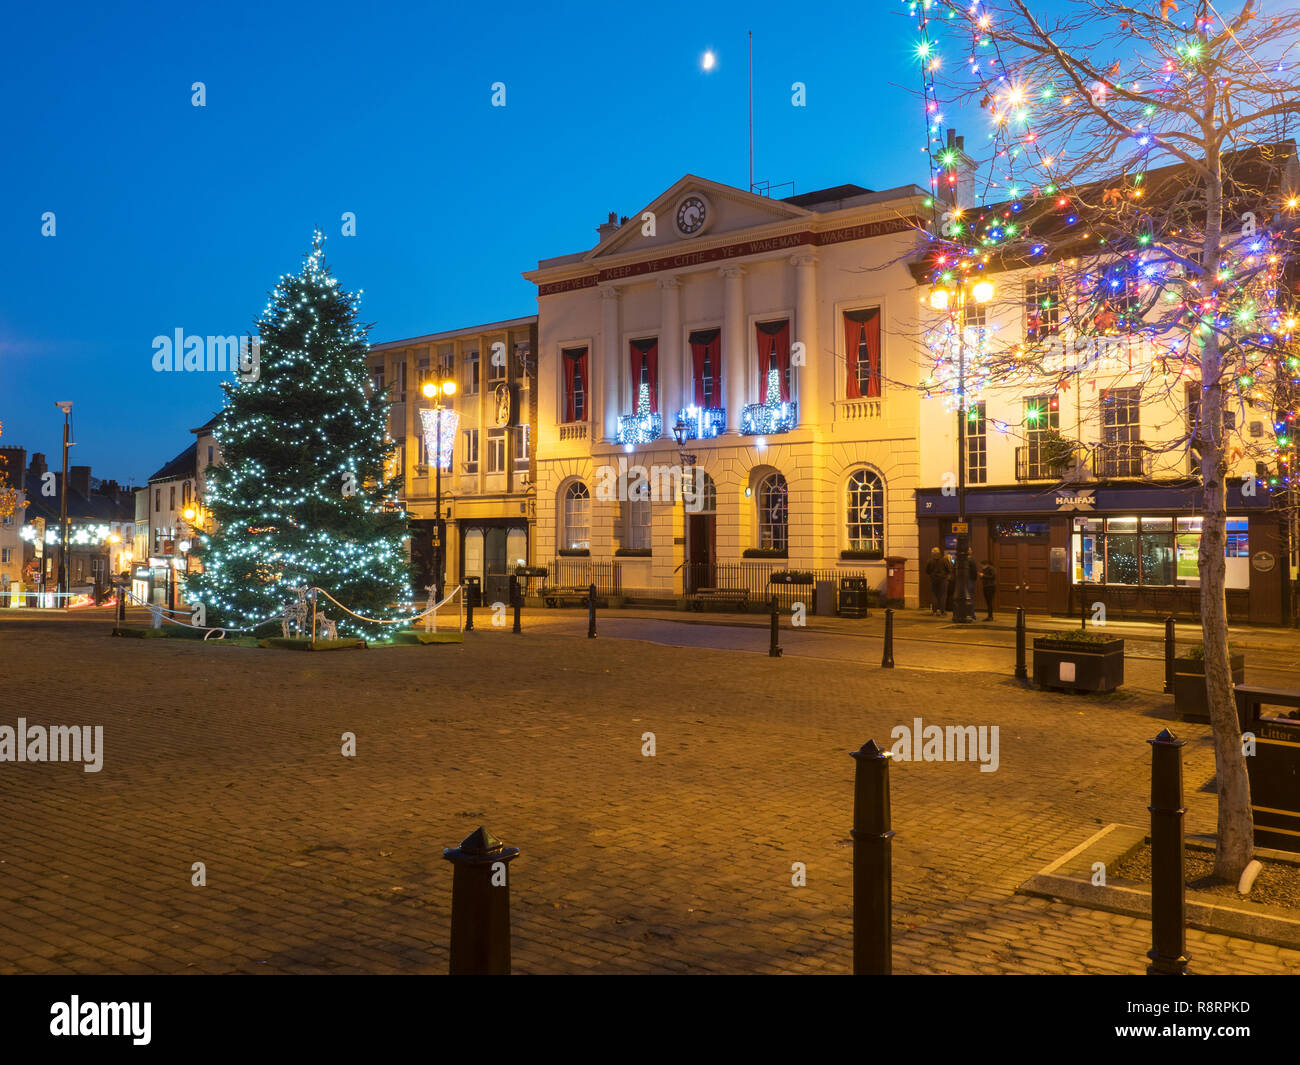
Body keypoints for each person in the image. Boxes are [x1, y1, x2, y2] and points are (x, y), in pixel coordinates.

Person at [924, 547, 951, 615]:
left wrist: (932, 574)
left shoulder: (930, 560)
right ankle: (942, 611)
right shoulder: (944, 559)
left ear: (932, 552)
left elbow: (927, 571)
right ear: (939, 552)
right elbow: (949, 569)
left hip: (933, 579)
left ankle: (934, 611)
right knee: (943, 595)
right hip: (943, 579)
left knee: (934, 594)